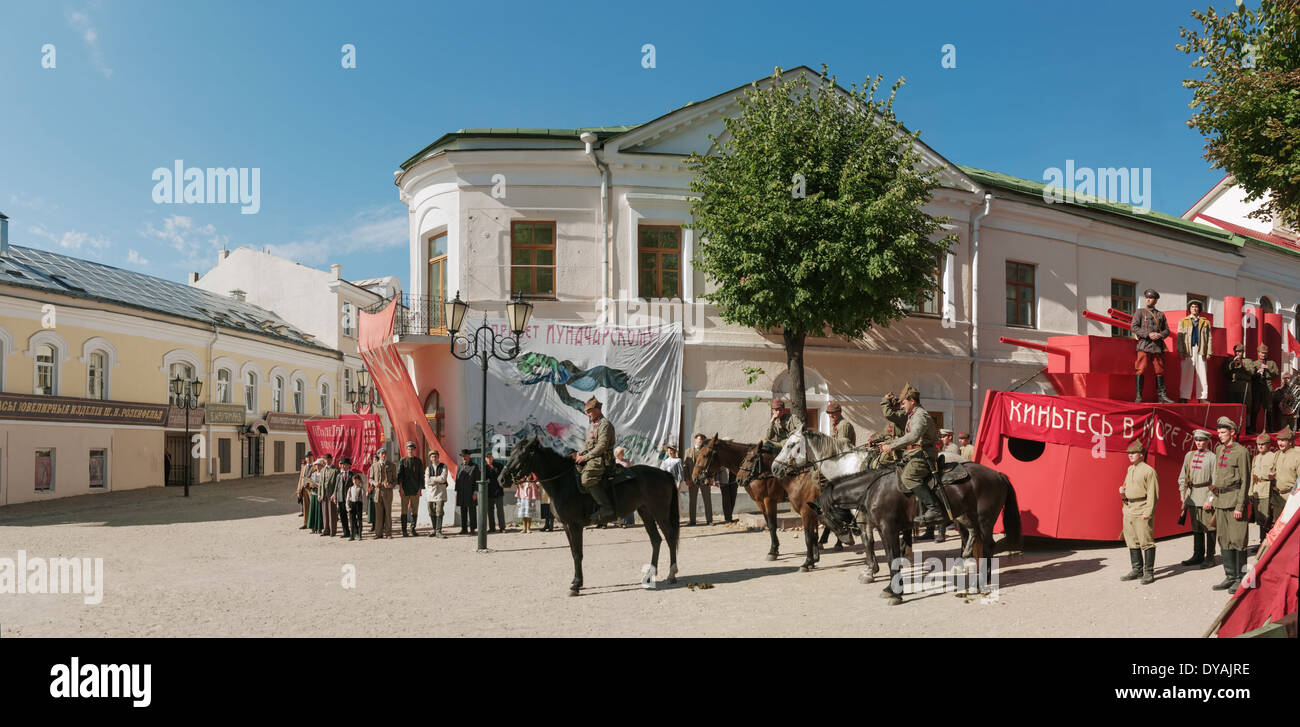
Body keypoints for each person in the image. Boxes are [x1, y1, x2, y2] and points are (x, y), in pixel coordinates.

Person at [879, 384, 942, 524]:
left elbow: (913, 436)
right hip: (914, 453)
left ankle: (934, 509)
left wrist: (892, 446)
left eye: (903, 403)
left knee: (908, 476)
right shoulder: (912, 415)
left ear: (912, 401)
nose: (902, 406)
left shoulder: (920, 415)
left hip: (923, 455)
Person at [1208, 416, 1250, 591]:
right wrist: (1213, 499)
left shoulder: (1242, 452)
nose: (1220, 435)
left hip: (1234, 502)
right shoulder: (1219, 450)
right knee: (1224, 539)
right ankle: (1230, 576)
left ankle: (1241, 577)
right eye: (1218, 432)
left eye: (1223, 432)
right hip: (1221, 501)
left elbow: (1245, 481)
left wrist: (1240, 506)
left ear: (1232, 432)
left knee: (1238, 540)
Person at [1118, 439, 1159, 584]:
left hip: (1142, 508)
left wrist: (1148, 512)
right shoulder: (1130, 469)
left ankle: (1149, 572)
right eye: (1129, 453)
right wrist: (1123, 493)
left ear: (1141, 454)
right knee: (1131, 541)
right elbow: (1126, 486)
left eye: (1134, 453)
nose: (1130, 455)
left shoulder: (1149, 471)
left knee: (1146, 542)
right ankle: (1137, 569)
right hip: (1129, 509)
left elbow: (1153, 494)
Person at [1177, 429, 1217, 568]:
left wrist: (1210, 499)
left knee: (1209, 527)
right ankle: (1198, 555)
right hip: (1192, 496)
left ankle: (1210, 557)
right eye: (1197, 440)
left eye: (1202, 440)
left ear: (1207, 441)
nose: (1199, 443)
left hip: (1205, 495)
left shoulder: (1212, 457)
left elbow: (1215, 480)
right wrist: (1183, 493)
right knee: (1196, 527)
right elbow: (1183, 476)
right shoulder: (1189, 455)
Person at [575, 397, 616, 522]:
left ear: (597, 410)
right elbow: (588, 445)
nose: (588, 414)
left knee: (587, 479)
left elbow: (601, 446)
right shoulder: (592, 425)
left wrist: (585, 457)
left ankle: (606, 507)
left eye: (590, 411)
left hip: (602, 459)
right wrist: (579, 454)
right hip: (592, 457)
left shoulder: (605, 424)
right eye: (587, 411)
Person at [1130, 288, 1173, 403]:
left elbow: (1167, 330)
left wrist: (1160, 335)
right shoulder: (1140, 312)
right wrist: (1148, 334)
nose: (1148, 300)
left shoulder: (1160, 314)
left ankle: (1162, 396)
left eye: (1151, 298)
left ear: (1155, 300)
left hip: (1157, 347)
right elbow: (1134, 327)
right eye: (1147, 298)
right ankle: (1139, 396)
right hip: (1144, 345)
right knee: (1141, 369)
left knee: (1159, 371)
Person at [1176, 300, 1212, 403]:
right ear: (1189, 309)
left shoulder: (1205, 322)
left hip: (1201, 349)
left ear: (1199, 309)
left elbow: (1209, 338)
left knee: (1202, 373)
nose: (1194, 309)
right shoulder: (1183, 321)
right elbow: (1180, 338)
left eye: (1196, 307)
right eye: (1192, 307)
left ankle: (1202, 397)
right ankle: (1184, 397)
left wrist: (1209, 352)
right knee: (1186, 373)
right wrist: (1181, 351)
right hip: (1188, 349)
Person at [1249, 432, 1276, 550]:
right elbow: (1252, 476)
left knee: (1267, 519)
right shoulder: (1256, 457)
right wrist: (1250, 492)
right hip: (1257, 491)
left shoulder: (1273, 456)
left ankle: (1267, 544)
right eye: (1258, 444)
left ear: (1268, 445)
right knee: (1260, 519)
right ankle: (1261, 543)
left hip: (1266, 490)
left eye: (1263, 444)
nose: (1260, 446)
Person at [683, 434, 713, 526]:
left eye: (702, 439)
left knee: (707, 500)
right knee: (692, 501)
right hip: (692, 480)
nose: (700, 441)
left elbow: (710, 465)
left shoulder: (706, 451)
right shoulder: (688, 451)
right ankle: (692, 521)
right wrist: (687, 479)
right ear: (695, 440)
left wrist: (711, 478)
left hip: (704, 479)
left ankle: (709, 520)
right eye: (698, 439)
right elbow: (685, 467)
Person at [396, 442, 424, 537]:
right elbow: (400, 476)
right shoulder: (403, 460)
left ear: (414, 450)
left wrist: (420, 489)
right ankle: (404, 530)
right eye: (408, 449)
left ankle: (413, 528)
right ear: (406, 450)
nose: (410, 451)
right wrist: (401, 489)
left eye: (412, 449)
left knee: (414, 510)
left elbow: (421, 476)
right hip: (405, 489)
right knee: (404, 511)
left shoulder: (418, 461)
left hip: (415, 489)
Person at [1273, 426, 1299, 527]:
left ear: (1290, 442)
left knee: (1289, 527)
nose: (1280, 443)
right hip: (1278, 498)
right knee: (1277, 527)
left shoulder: (1297, 455)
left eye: (1283, 440)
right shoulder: (1278, 454)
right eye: (1278, 440)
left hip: (1291, 497)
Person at [1251, 344, 1280, 433]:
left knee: (1268, 409)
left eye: (1265, 353)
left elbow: (1276, 373)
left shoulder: (1271, 363)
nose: (1264, 355)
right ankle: (1253, 429)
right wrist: (1257, 372)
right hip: (1257, 386)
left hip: (1268, 386)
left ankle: (1270, 429)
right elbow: (1250, 375)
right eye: (1262, 353)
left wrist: (1268, 368)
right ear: (1258, 353)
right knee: (1255, 408)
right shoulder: (1255, 363)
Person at [369, 449, 397, 539]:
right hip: (377, 492)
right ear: (378, 455)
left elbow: (395, 480)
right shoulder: (374, 466)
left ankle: (388, 533)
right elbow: (370, 479)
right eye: (382, 454)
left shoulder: (392, 465)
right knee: (378, 514)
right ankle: (378, 533)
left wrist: (391, 485)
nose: (384, 455)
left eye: (385, 453)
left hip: (387, 492)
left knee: (388, 514)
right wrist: (374, 483)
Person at [425, 450, 449, 538]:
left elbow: (443, 479)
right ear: (430, 458)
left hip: (440, 492)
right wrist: (436, 479)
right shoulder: (428, 468)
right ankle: (434, 529)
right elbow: (427, 481)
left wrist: (433, 479)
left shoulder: (443, 466)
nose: (434, 458)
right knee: (431, 511)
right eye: (432, 456)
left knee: (439, 511)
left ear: (438, 457)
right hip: (430, 493)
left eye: (435, 456)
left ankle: (439, 530)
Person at [1224, 343, 1254, 413]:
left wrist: (1243, 365)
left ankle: (1246, 424)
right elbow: (1225, 371)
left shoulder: (1248, 361)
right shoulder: (1230, 361)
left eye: (1240, 351)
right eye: (1236, 351)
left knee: (1245, 407)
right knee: (1232, 407)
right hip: (1233, 386)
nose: (1237, 353)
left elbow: (1252, 373)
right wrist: (1231, 364)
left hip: (1244, 386)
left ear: (1243, 352)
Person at [455, 450, 479, 534]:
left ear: (469, 456)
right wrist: (457, 492)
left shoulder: (474, 466)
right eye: (462, 456)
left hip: (471, 492)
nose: (463, 458)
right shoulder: (460, 466)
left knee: (472, 510)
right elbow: (457, 480)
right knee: (463, 510)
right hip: (461, 492)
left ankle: (473, 529)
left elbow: (477, 480)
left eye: (465, 456)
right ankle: (464, 528)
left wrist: (476, 492)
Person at [613, 447, 635, 527]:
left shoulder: (627, 461)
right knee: (618, 504)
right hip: (617, 484)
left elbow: (631, 471)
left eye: (622, 452)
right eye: (620, 452)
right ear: (616, 454)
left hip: (626, 484)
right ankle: (618, 522)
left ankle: (627, 522)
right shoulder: (614, 462)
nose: (622, 454)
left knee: (627, 502)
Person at [484, 453, 506, 533]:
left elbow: (503, 476)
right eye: (487, 458)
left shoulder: (499, 465)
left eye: (490, 457)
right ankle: (492, 528)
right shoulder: (484, 467)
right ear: (485, 459)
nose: (489, 459)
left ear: (493, 458)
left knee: (500, 510)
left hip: (498, 491)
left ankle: (502, 527)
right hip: (489, 492)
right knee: (490, 510)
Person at [333, 457, 354, 539]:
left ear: (349, 466)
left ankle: (354, 532)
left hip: (350, 499)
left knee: (351, 516)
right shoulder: (339, 475)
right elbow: (336, 487)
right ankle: (346, 532)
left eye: (345, 465)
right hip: (341, 498)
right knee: (343, 516)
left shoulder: (352, 475)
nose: (343, 466)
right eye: (342, 465)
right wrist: (335, 496)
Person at [320, 456, 341, 537]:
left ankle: (333, 531)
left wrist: (334, 494)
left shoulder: (335, 470)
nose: (327, 461)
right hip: (324, 493)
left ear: (331, 460)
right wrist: (319, 494)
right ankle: (326, 529)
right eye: (326, 460)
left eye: (329, 459)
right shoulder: (322, 470)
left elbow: (337, 484)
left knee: (332, 513)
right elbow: (321, 483)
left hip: (331, 494)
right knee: (325, 512)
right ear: (324, 460)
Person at [346, 472, 365, 542]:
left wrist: (364, 509)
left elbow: (364, 499)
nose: (355, 481)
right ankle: (352, 535)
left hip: (358, 504)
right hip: (352, 504)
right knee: (351, 520)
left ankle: (360, 534)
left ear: (359, 481)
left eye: (356, 480)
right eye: (354, 480)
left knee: (359, 520)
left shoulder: (361, 489)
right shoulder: (350, 489)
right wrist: (347, 506)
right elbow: (348, 498)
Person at [307, 458, 324, 534]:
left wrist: (317, 486)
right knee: (313, 511)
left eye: (318, 465)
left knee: (319, 511)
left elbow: (323, 485)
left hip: (319, 494)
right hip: (313, 494)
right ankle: (313, 527)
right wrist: (311, 485)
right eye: (316, 465)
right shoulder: (313, 474)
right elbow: (310, 483)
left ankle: (319, 528)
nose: (317, 466)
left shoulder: (323, 474)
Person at [296, 454, 313, 529]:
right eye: (307, 457)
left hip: (312, 489)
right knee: (305, 507)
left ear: (312, 457)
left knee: (312, 507)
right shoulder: (304, 467)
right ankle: (305, 523)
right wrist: (298, 490)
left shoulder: (315, 467)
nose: (308, 458)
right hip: (304, 489)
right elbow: (301, 479)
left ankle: (313, 524)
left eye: (310, 457)